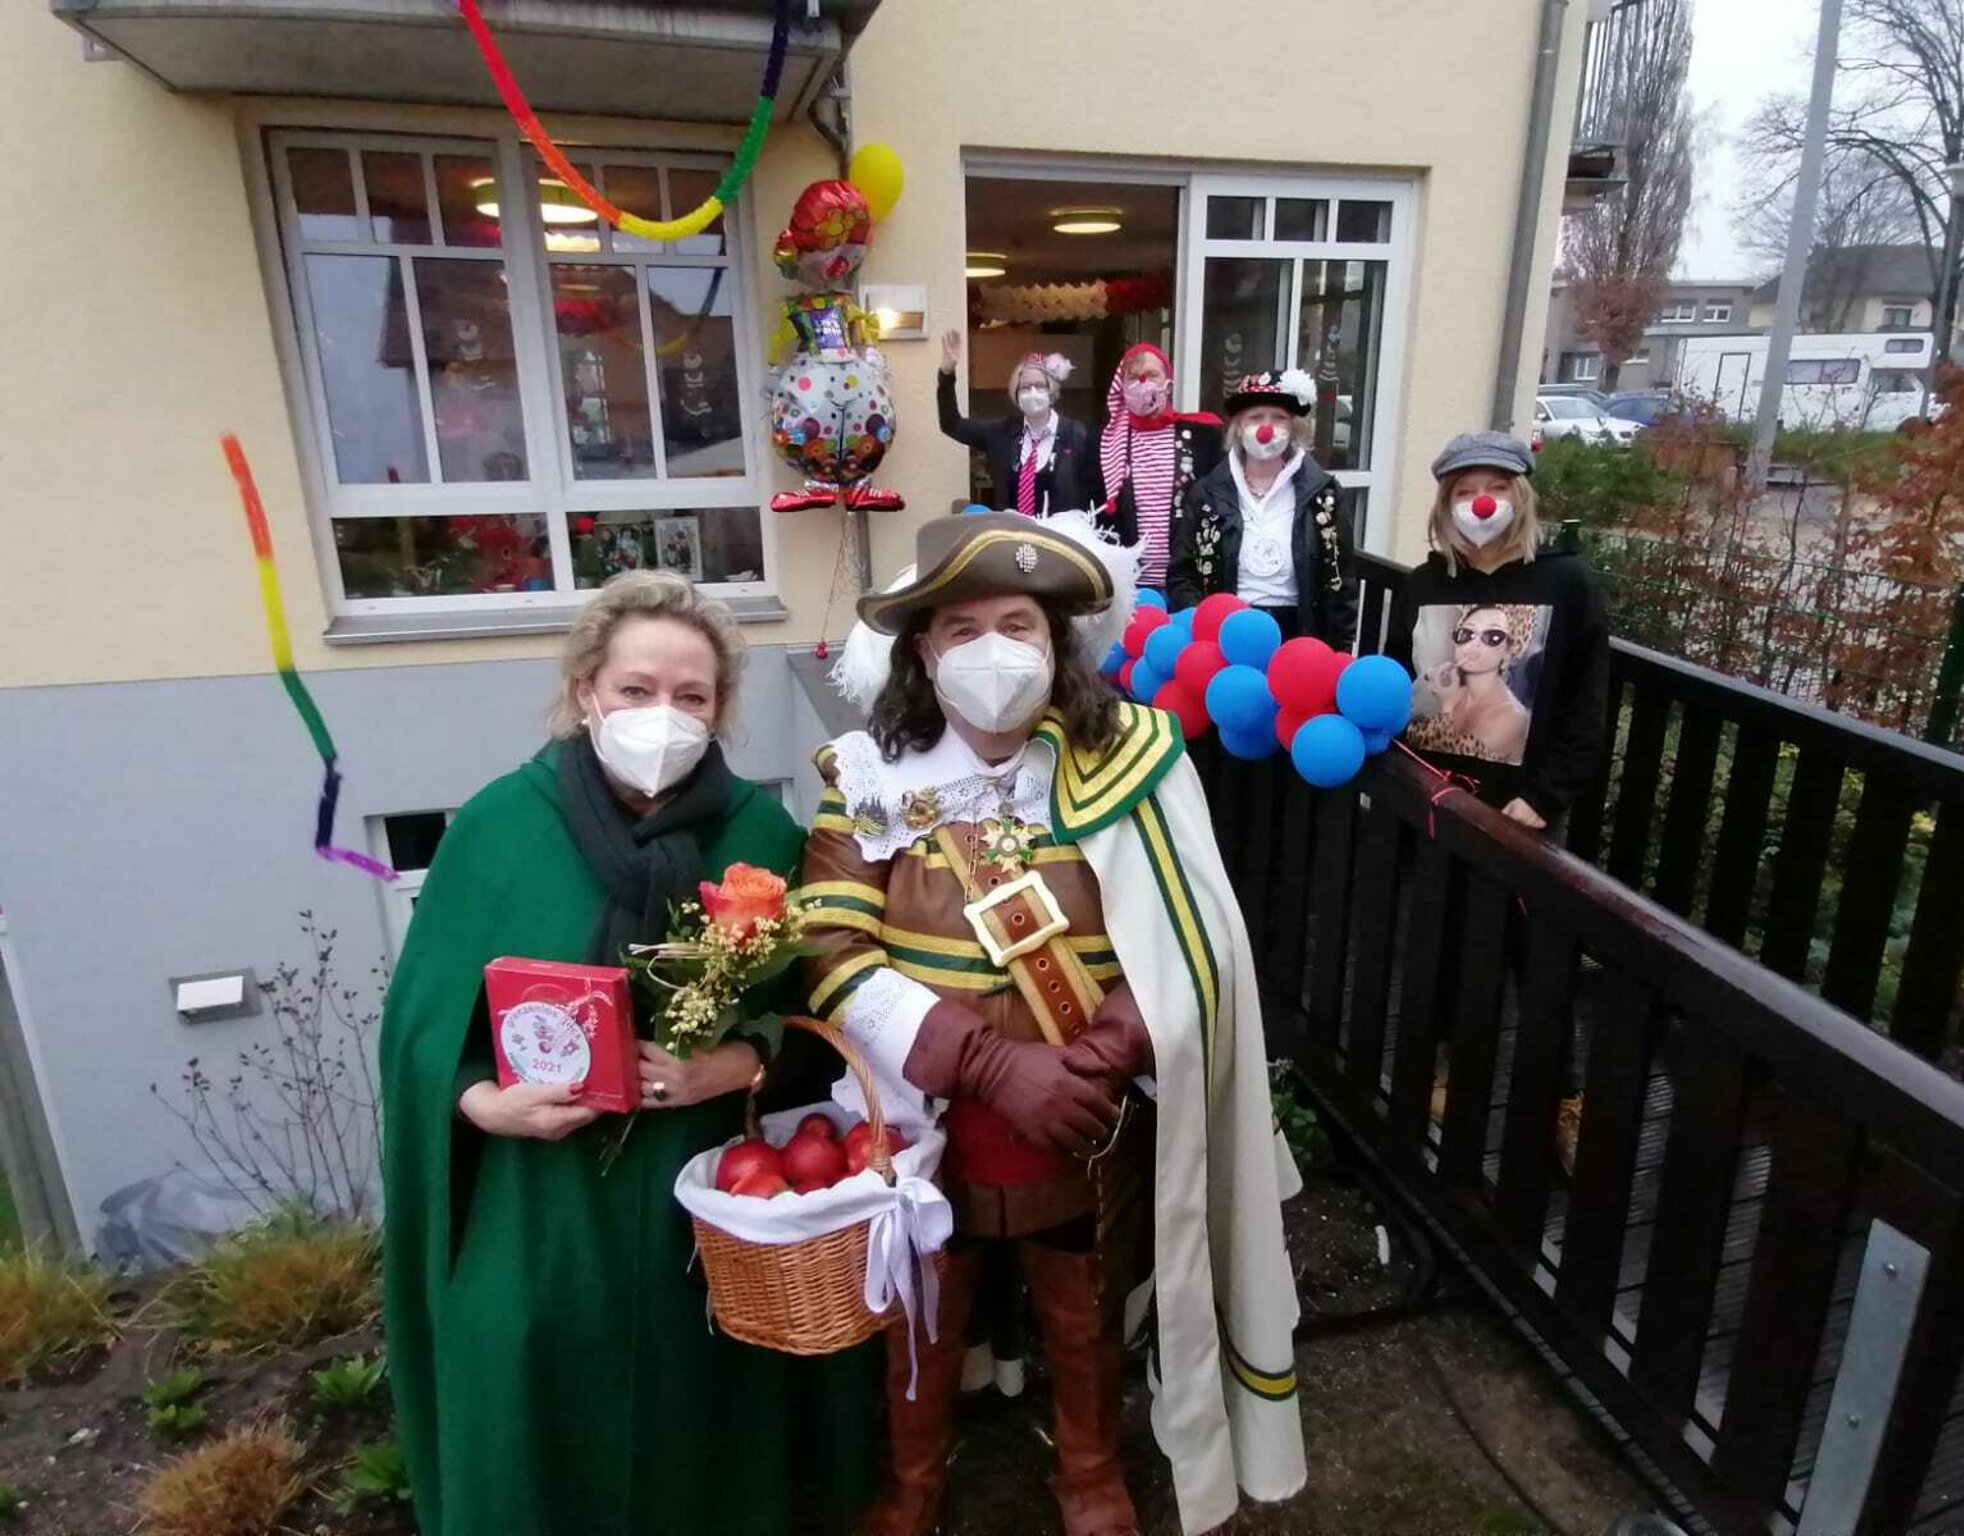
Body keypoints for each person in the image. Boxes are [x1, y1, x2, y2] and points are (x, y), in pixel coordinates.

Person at [802, 511, 1305, 1536]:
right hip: (922, 1114)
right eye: (961, 629)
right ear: (922, 654)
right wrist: (988, 1064)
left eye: (1018, 624)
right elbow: (829, 953)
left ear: (1055, 641)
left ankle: (1088, 1469)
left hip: (1085, 1108)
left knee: (1085, 1304)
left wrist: (1100, 1054)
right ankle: (912, 1485)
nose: (992, 650)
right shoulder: (862, 780)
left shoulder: (1134, 766)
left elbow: (1186, 939)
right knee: (921, 1306)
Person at [379, 571, 873, 1536]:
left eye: (691, 697)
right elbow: (422, 1029)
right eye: (637, 691)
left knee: (702, 1411)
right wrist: (484, 1103)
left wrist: (741, 1063)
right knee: (528, 1392)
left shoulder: (761, 836)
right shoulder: (497, 830)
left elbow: (820, 1018)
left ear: (722, 709)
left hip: (702, 1197)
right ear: (584, 693)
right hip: (539, 1199)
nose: (664, 716)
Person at [1385, 431, 1609, 832]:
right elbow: (1394, 678)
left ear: (1520, 496)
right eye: (1464, 492)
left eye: (1497, 488)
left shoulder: (1566, 581)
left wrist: (1547, 796)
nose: (1481, 502)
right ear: (1446, 506)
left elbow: (1586, 703)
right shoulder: (1424, 584)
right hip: (1424, 801)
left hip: (1518, 812)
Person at [1169, 368, 1358, 646]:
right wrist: (1205, 624)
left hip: (1299, 635)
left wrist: (1338, 650)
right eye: (1256, 417)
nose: (1266, 428)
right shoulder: (1207, 494)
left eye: (1278, 418)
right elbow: (1182, 574)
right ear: (1239, 426)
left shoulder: (1325, 496)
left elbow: (1342, 581)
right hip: (1229, 632)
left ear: (1293, 427)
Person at [1096, 343, 1222, 586]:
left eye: (1152, 375)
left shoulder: (1202, 437)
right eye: (1133, 377)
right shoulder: (1110, 443)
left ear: (1168, 382)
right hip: (1132, 584)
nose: (1143, 383)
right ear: (1121, 388)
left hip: (1187, 582)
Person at [936, 329, 1098, 517]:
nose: (1032, 392)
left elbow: (1095, 494)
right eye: (1025, 387)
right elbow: (951, 424)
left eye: (1039, 385)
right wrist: (946, 376)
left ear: (1052, 392)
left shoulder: (1078, 435)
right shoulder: (1002, 433)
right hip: (1014, 540)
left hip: (1060, 541)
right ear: (1016, 393)